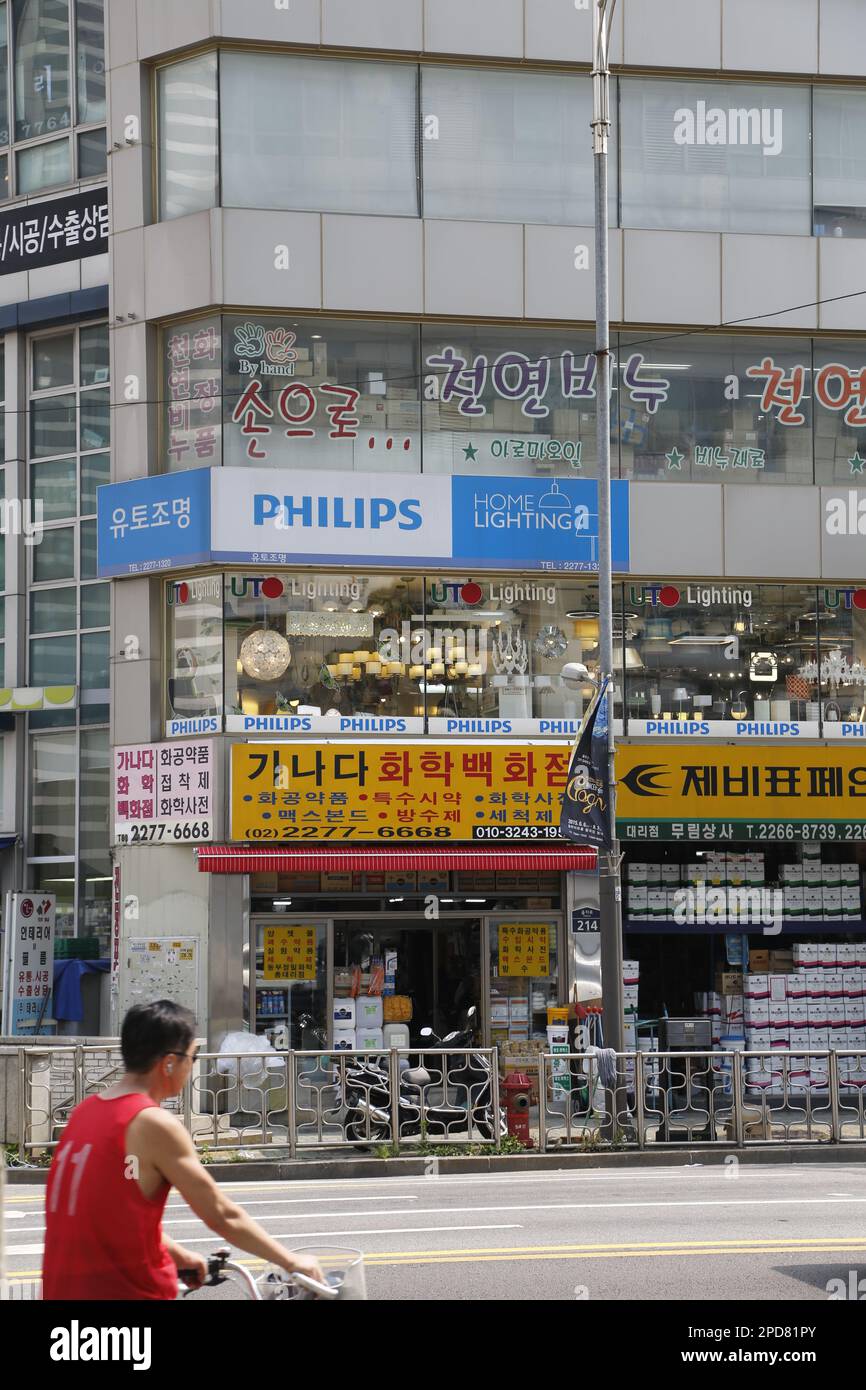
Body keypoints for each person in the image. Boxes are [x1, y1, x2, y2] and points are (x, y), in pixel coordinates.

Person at [42, 999, 325, 1300]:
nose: (192, 1066)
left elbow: (114, 1216)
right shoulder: (152, 1124)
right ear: (169, 1062)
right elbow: (221, 1214)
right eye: (192, 1056)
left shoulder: (84, 1114)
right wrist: (291, 1261)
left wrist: (179, 1256)